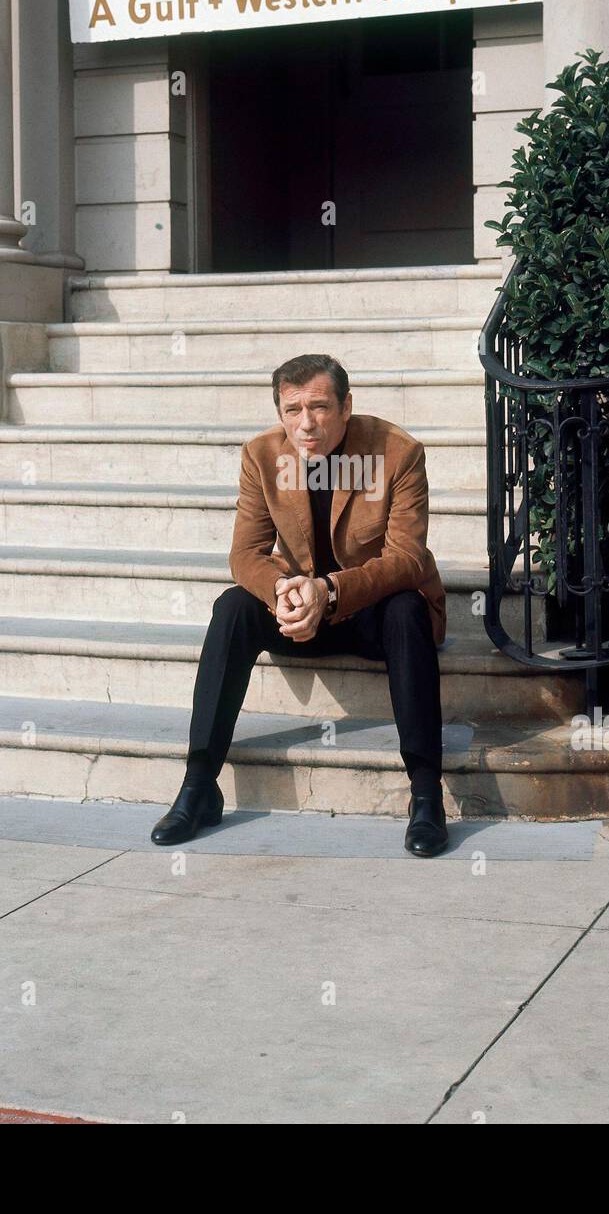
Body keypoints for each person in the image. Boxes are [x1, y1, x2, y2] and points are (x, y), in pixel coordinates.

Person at [150, 353, 449, 855]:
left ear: (346, 405)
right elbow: (244, 554)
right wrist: (284, 594)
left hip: (371, 613)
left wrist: (328, 591)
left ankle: (425, 794)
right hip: (303, 617)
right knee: (232, 608)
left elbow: (406, 559)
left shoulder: (397, 452)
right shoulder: (261, 456)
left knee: (407, 608)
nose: (305, 423)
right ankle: (199, 783)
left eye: (319, 407)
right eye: (292, 410)